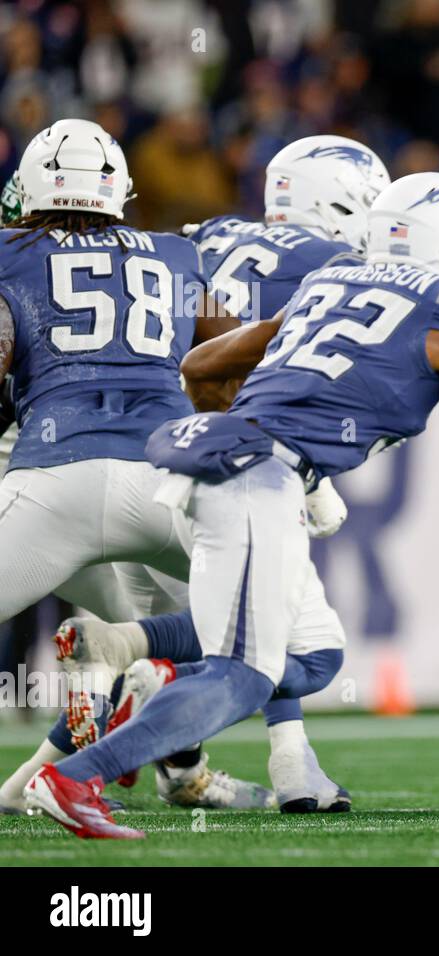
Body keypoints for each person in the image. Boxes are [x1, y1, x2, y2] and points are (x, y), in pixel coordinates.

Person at [25, 172, 439, 839]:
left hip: (230, 464)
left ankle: (132, 650)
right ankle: (74, 778)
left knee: (314, 653)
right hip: (259, 474)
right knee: (244, 675)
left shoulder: (329, 282)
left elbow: (201, 366)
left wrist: (239, 424)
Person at [50, 135, 393, 813]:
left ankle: (58, 776)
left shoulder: (198, 236)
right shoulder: (333, 266)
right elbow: (285, 385)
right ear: (344, 203)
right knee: (294, 645)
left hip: (130, 455)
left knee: (235, 633)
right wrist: (314, 480)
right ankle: (269, 757)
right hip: (224, 467)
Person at [0, 120, 268, 813]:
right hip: (162, 481)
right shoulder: (175, 254)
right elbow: (234, 354)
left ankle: (128, 731)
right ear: (118, 188)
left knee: (150, 620)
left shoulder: (8, 251)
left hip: (51, 480)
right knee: (266, 618)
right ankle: (162, 724)